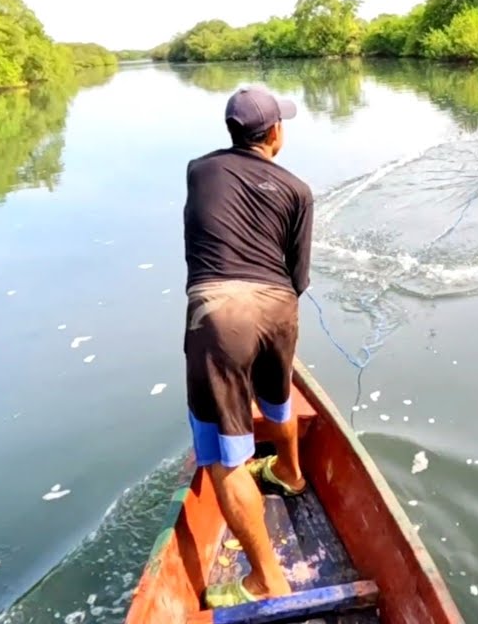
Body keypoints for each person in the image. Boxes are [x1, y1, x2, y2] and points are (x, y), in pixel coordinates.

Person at [181, 85, 314, 608]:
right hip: (279, 305)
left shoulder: (200, 170)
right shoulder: (298, 190)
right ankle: (289, 472)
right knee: (278, 396)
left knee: (223, 454)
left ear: (233, 131)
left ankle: (266, 580)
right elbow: (298, 277)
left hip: (219, 311)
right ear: (275, 133)